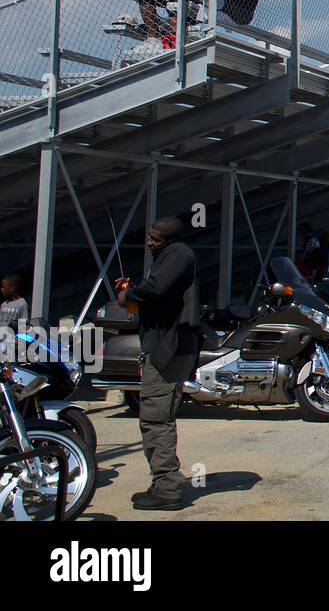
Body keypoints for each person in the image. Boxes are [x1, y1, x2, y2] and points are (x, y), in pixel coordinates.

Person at [114, 216, 201, 511]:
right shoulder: (171, 256)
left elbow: (157, 288)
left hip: (168, 350)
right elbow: (156, 289)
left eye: (156, 239)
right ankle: (160, 482)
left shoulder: (178, 255)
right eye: (149, 238)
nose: (150, 243)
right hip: (163, 347)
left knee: (156, 420)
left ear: (171, 240)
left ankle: (167, 489)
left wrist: (129, 294)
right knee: (153, 418)